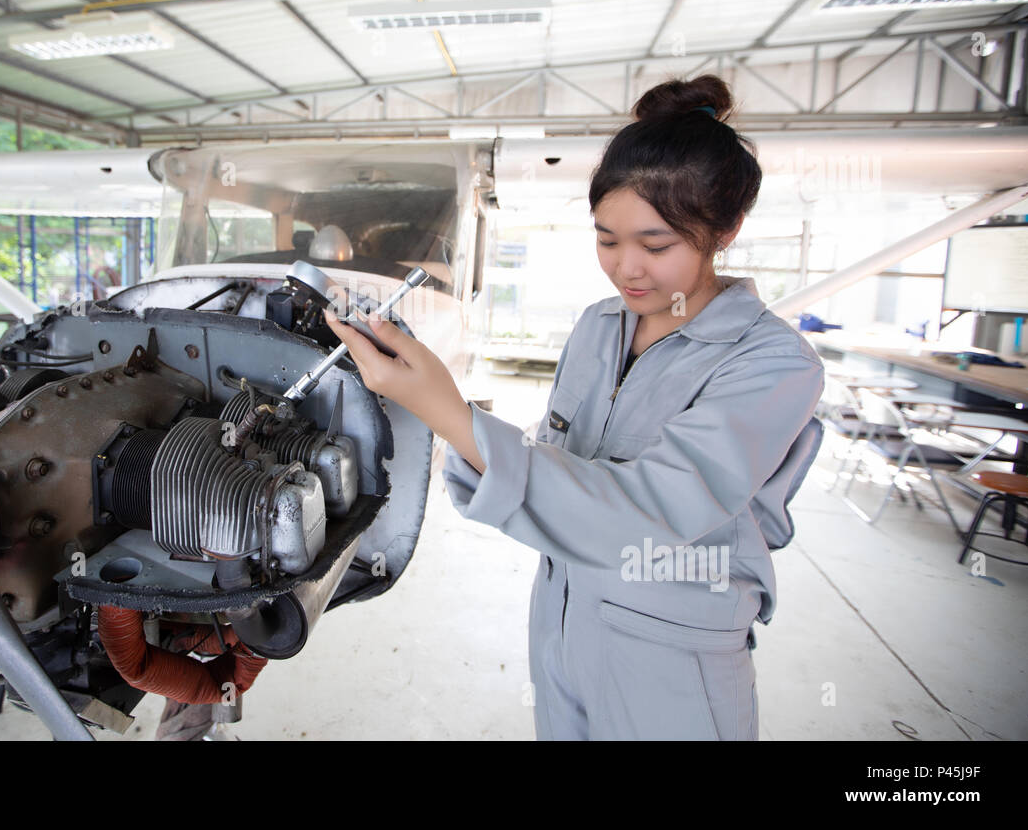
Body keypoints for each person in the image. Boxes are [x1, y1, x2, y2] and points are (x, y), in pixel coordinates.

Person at [324, 75, 825, 741]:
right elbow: (551, 466)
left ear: (726, 229)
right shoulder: (598, 326)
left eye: (657, 244)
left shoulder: (773, 364)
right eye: (607, 238)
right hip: (560, 622)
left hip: (671, 653)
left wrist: (447, 411)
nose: (627, 269)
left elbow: (646, 516)